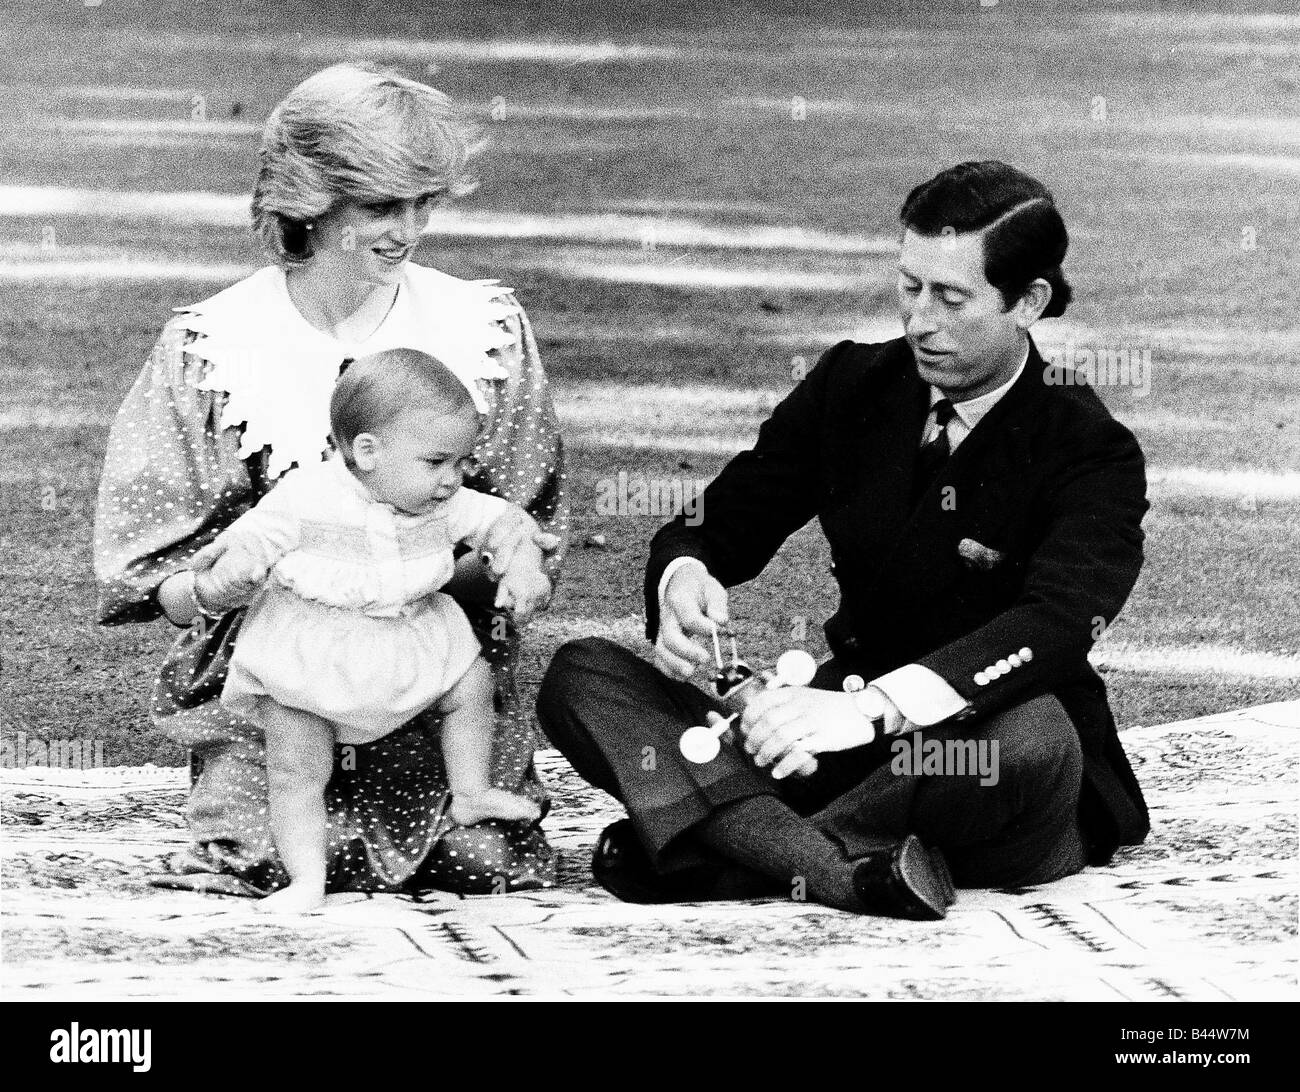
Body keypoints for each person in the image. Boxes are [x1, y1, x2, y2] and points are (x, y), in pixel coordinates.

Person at [538, 161, 1149, 919]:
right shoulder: (850, 384)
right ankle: (843, 871)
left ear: (1028, 302)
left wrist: (864, 713)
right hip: (830, 741)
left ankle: (724, 846)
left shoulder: (1088, 446)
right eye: (909, 286)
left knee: (1028, 739)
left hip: (973, 756)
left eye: (952, 297)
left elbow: (1055, 624)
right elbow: (716, 523)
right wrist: (683, 577)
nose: (920, 320)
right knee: (582, 676)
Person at [94, 62, 567, 896]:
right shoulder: (211, 347)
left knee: (478, 862)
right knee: (272, 854)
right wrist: (220, 587)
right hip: (278, 678)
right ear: (309, 200)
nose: (410, 228)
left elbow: (520, 521)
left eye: (425, 202)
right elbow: (159, 570)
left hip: (432, 660)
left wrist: (426, 575)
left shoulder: (484, 328)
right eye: (383, 205)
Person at [195, 348, 552, 911]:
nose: (452, 479)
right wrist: (236, 567)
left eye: (460, 463)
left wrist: (522, 560)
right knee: (296, 771)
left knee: (472, 681)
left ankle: (470, 792)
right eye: (437, 462)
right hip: (315, 651)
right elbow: (251, 540)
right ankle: (306, 880)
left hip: (413, 637)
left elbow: (503, 522)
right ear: (367, 451)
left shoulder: (447, 501)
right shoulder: (305, 497)